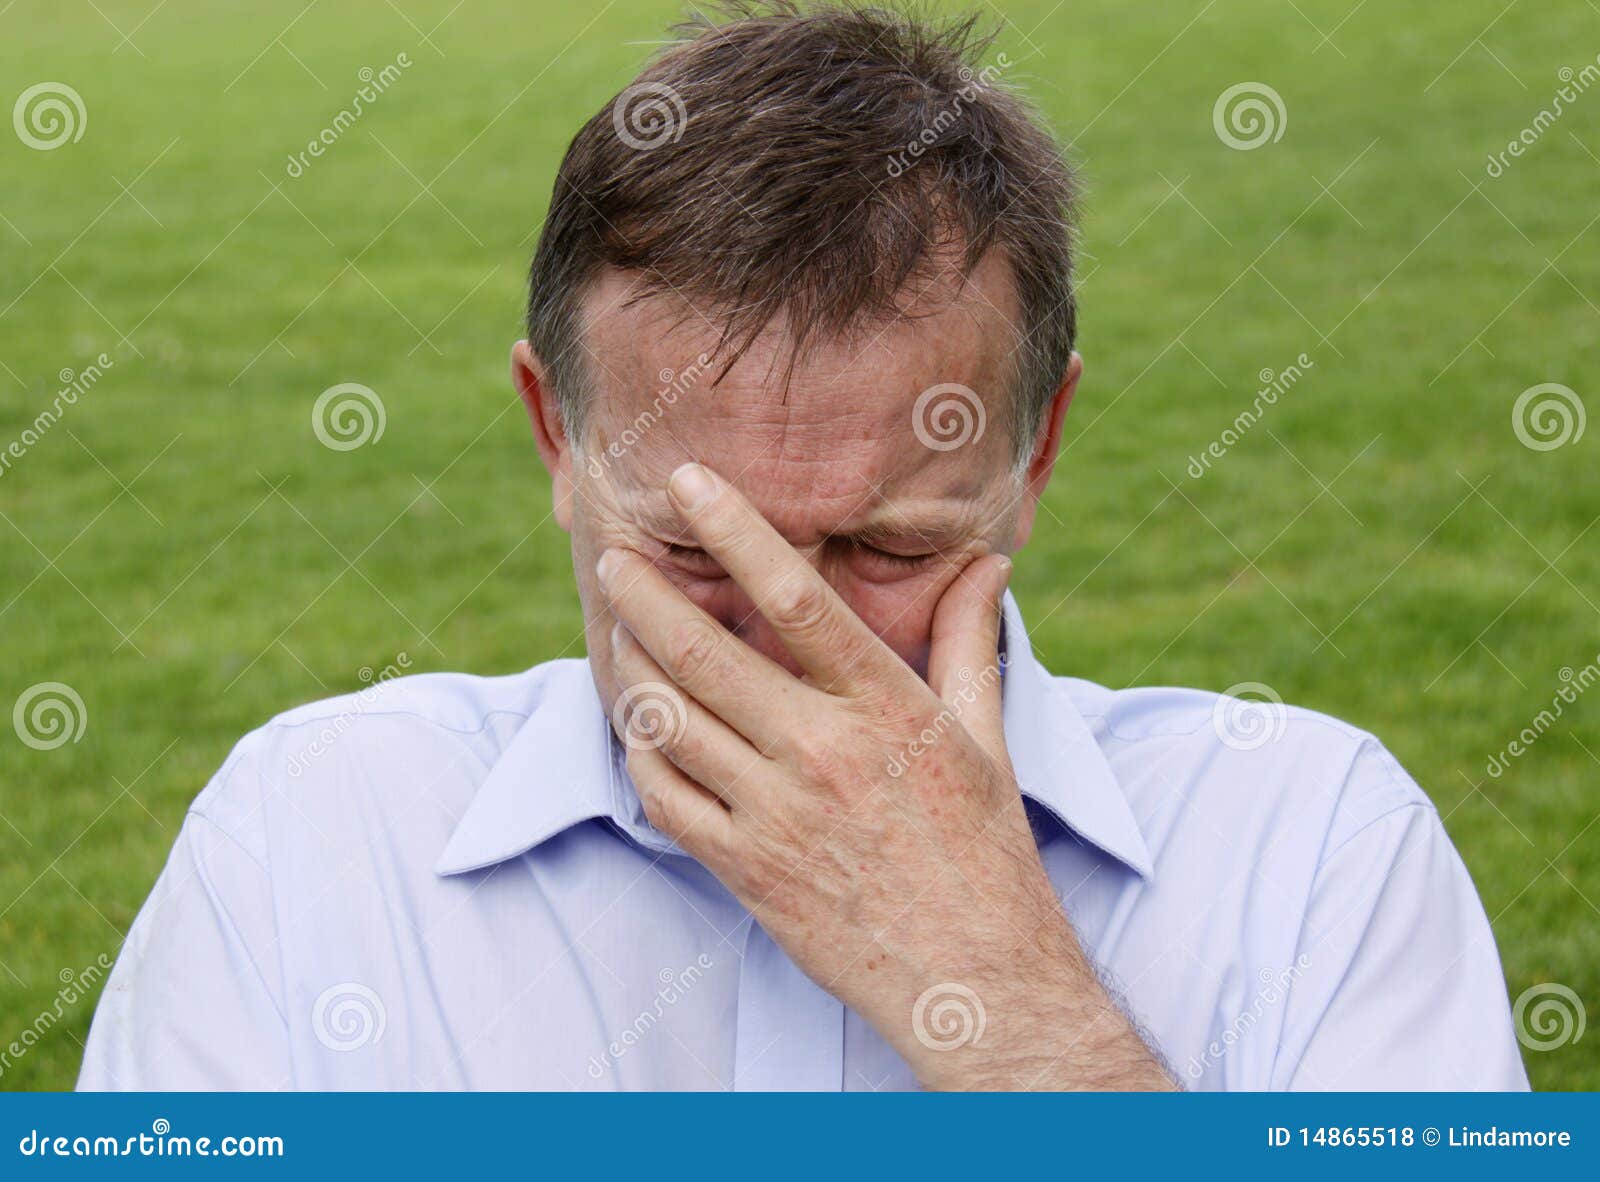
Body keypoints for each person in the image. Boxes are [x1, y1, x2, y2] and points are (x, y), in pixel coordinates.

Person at [79, 1, 1528, 1091]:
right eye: (699, 552)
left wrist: (1012, 999)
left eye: (888, 547)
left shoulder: (1319, 842)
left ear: (1036, 454)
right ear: (554, 440)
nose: (783, 642)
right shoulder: (306, 835)